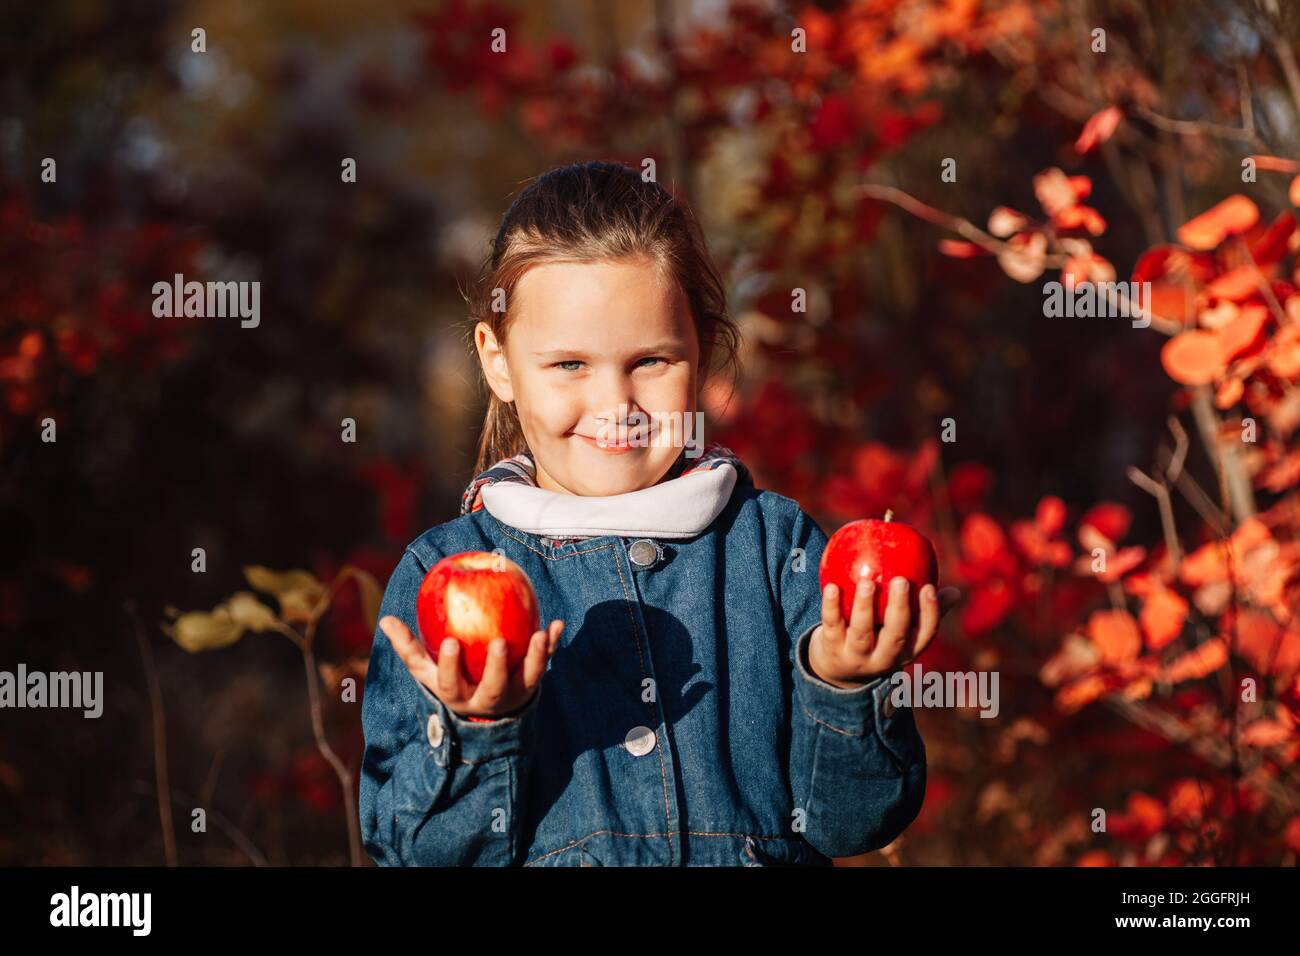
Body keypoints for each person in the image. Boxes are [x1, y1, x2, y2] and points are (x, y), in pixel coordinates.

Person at [359, 160, 959, 866]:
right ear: (498, 362)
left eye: (651, 361)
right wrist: (477, 728)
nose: (617, 406)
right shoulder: (445, 572)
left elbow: (855, 823)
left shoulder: (773, 547)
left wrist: (845, 684)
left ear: (700, 354)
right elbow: (411, 851)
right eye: (569, 366)